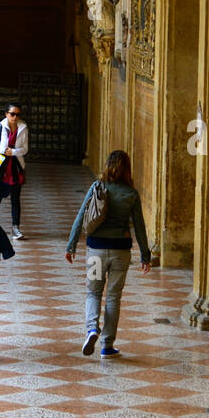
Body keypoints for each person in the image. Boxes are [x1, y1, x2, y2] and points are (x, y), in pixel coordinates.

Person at [65, 149, 151, 357]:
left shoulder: (97, 187)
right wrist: (145, 256)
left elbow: (81, 216)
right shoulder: (131, 194)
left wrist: (71, 245)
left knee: (93, 291)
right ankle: (107, 345)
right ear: (127, 170)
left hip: (96, 251)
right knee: (113, 297)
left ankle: (92, 329)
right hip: (120, 253)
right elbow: (139, 227)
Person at [0, 102, 29, 240]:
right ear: (6, 114)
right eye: (12, 114)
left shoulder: (23, 128)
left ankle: (16, 228)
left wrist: (14, 152)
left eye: (17, 114)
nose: (15, 117)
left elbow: (25, 149)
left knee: (15, 199)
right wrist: (3, 150)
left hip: (15, 167)